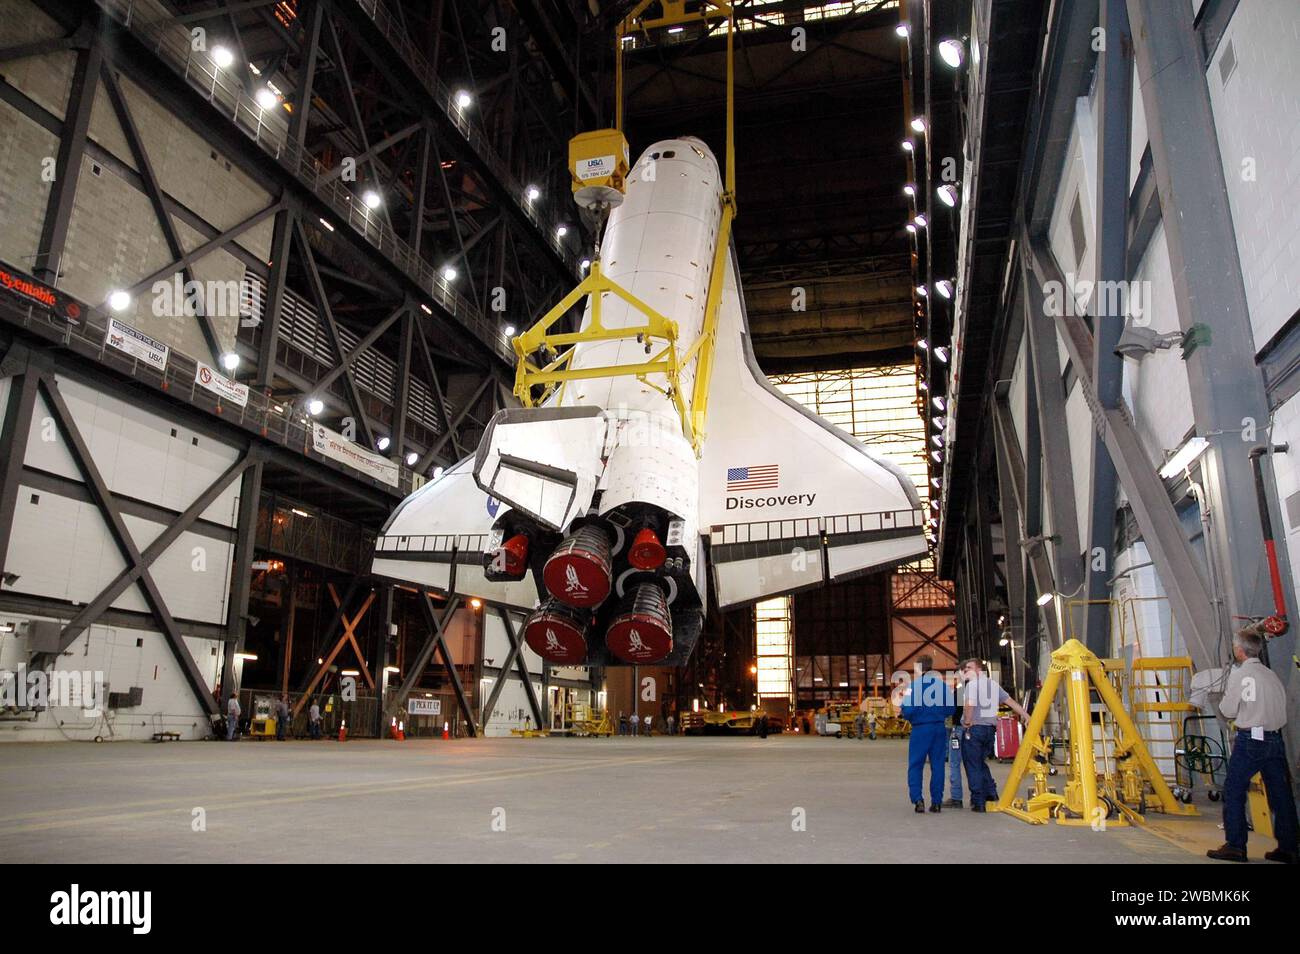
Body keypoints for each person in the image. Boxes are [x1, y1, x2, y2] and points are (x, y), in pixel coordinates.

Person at [1207, 629, 1298, 863]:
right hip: (1275, 739)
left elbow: (1227, 709)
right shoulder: (1271, 675)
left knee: (1234, 790)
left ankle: (1236, 845)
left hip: (1251, 740)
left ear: (1239, 651)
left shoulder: (1241, 676)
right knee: (1281, 794)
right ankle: (1289, 847)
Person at [959, 658, 1029, 812]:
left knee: (973, 765)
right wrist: (1026, 715)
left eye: (969, 668)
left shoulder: (972, 685)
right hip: (990, 731)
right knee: (980, 763)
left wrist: (967, 722)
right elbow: (1010, 701)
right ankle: (991, 794)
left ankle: (978, 801)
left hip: (975, 729)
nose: (966, 671)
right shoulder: (993, 684)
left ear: (978, 669)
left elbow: (969, 706)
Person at [899, 656, 954, 813]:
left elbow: (908, 710)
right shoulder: (943, 686)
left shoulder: (913, 687)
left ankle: (918, 800)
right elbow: (951, 709)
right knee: (938, 766)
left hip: (920, 729)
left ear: (918, 668)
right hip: (939, 728)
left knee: (916, 765)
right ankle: (936, 802)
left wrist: (909, 716)